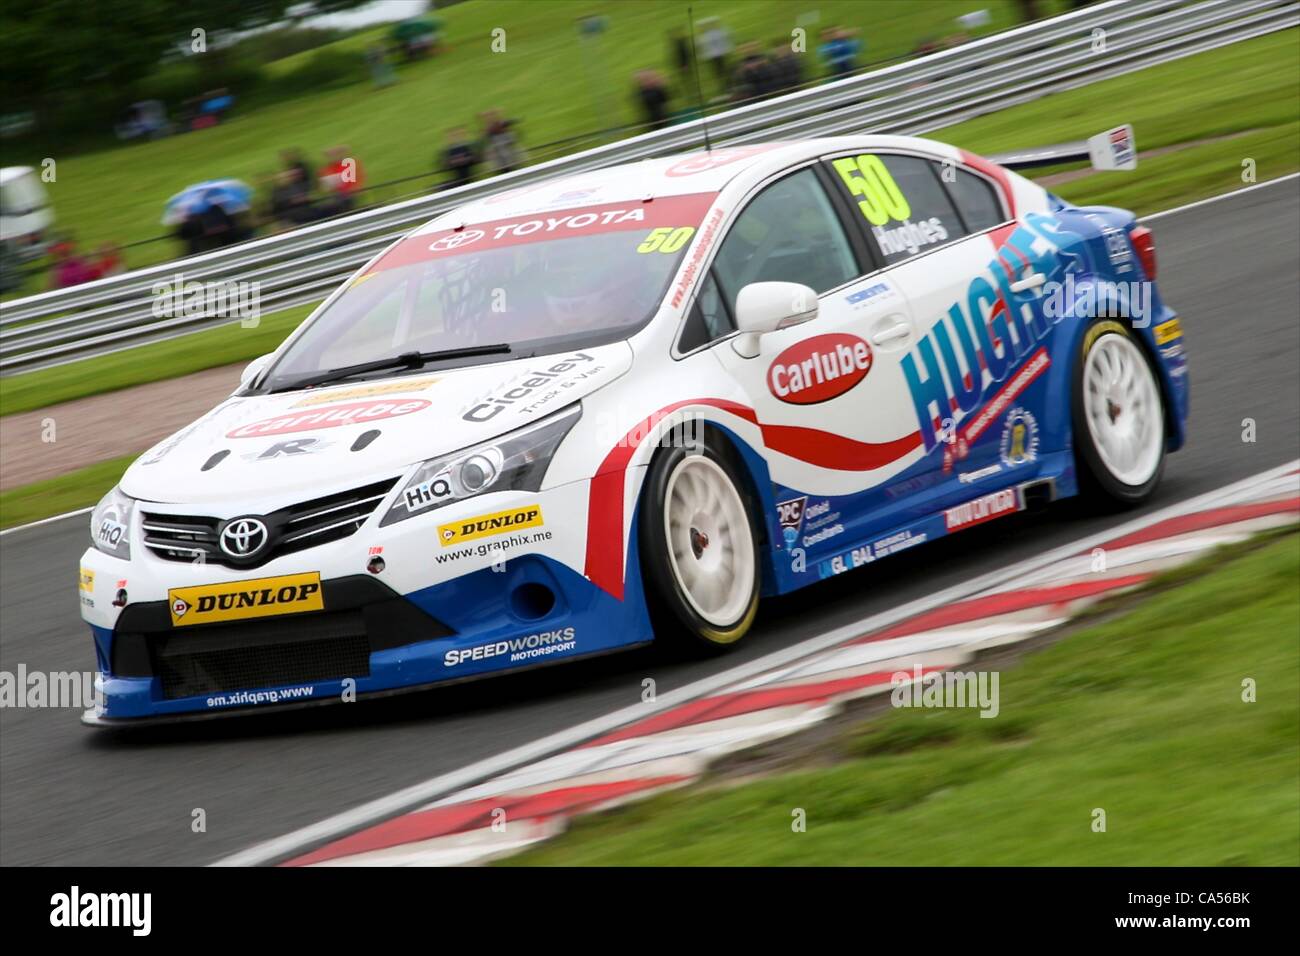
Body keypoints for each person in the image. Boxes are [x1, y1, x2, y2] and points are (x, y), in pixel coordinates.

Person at [318, 146, 364, 215]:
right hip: (337, 196)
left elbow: (357, 182)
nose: (334, 157)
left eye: (336, 154)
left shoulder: (350, 164)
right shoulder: (327, 169)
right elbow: (325, 187)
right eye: (331, 155)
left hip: (350, 195)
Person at [480, 110, 525, 174]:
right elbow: (487, 131)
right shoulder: (493, 132)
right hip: (503, 160)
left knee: (512, 170)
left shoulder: (499, 131)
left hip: (507, 159)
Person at [697, 17, 733, 92]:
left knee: (720, 71)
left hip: (715, 56)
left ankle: (726, 85)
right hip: (718, 55)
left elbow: (703, 47)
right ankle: (727, 84)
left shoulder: (704, 37)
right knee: (723, 70)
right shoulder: (718, 32)